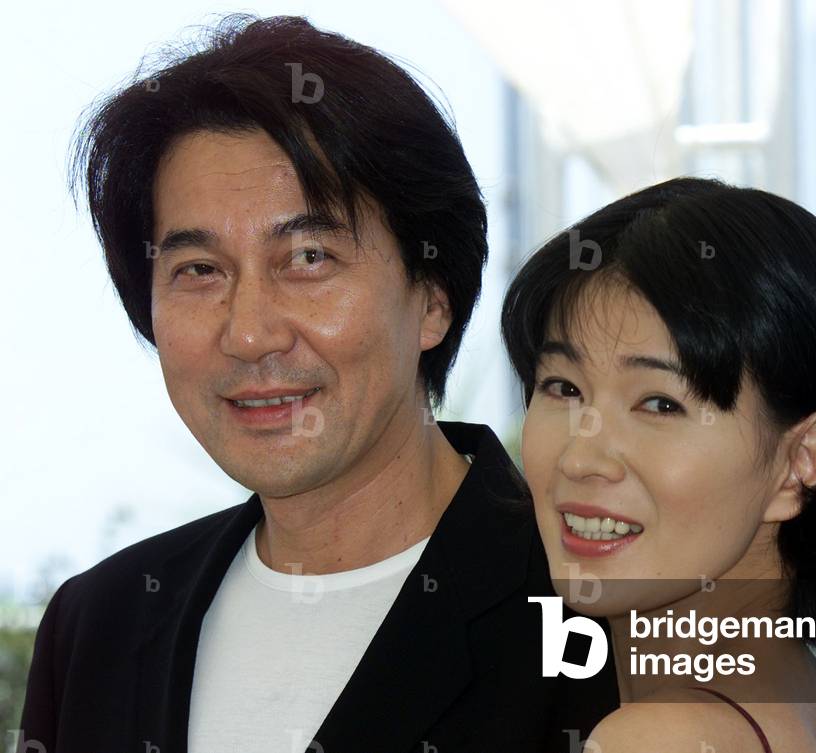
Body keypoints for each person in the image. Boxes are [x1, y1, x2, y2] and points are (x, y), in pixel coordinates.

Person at [17, 14, 619, 753]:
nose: (249, 333)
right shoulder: (97, 625)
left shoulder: (598, 613)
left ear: (433, 297)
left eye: (307, 258)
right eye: (199, 271)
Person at [500, 176, 816, 752]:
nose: (581, 457)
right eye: (562, 387)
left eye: (659, 403)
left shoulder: (656, 740)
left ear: (801, 459)